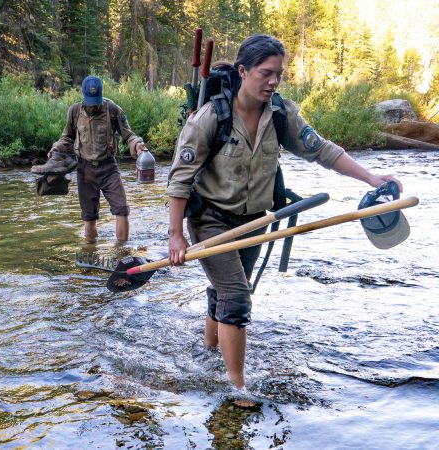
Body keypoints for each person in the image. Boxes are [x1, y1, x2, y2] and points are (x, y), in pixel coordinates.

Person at [166, 34, 403, 406]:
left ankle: (209, 351)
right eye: (266, 73)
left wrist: (372, 178)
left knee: (230, 289)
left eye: (278, 73)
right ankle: (236, 387)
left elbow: (323, 151)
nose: (274, 81)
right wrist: (176, 235)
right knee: (237, 296)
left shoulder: (281, 114)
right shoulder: (212, 117)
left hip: (255, 221)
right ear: (243, 72)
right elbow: (180, 179)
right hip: (210, 219)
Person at [33, 75, 146, 242]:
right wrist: (56, 148)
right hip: (85, 171)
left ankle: (122, 251)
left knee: (122, 209)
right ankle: (90, 251)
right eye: (90, 101)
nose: (93, 105)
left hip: (109, 168)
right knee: (89, 216)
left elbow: (129, 135)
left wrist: (137, 145)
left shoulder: (113, 110)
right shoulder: (74, 111)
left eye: (96, 101)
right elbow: (67, 137)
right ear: (83, 95)